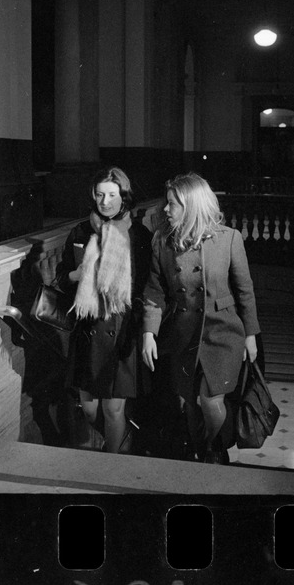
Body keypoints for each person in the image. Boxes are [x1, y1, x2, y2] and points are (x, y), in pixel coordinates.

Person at [141, 172, 260, 464]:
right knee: (187, 402)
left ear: (192, 205)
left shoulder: (229, 239)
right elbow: (154, 292)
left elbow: (245, 292)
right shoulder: (162, 241)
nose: (165, 210)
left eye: (172, 204)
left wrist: (250, 336)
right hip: (182, 333)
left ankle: (213, 450)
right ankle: (199, 452)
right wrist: (148, 333)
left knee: (210, 399)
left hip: (223, 334)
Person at [52, 167, 152, 454]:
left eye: (112, 195)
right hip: (87, 331)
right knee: (89, 409)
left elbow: (147, 286)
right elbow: (60, 279)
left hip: (121, 331)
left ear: (124, 196)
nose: (105, 201)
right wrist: (78, 274)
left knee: (113, 410)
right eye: (99, 194)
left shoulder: (138, 235)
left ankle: (113, 462)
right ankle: (123, 440)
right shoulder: (81, 231)